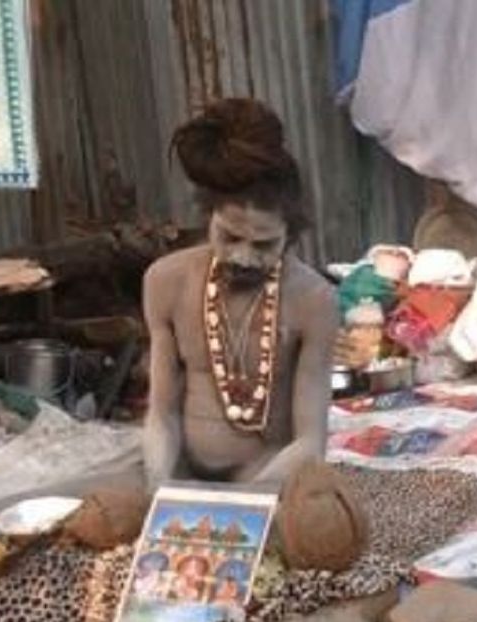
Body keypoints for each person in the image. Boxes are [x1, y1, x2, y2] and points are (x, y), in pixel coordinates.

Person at [142, 98, 338, 486]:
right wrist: (160, 485)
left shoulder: (314, 301)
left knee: (318, 525)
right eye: (229, 237)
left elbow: (310, 442)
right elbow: (161, 415)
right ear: (207, 217)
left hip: (268, 477)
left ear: (290, 235)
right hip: (180, 469)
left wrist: (244, 504)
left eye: (264, 245)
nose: (244, 258)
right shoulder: (166, 280)